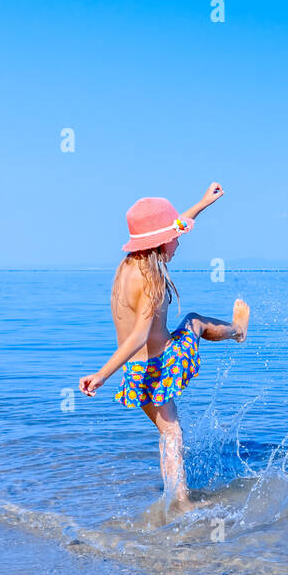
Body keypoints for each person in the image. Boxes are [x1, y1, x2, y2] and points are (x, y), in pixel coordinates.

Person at [79, 184, 249, 507]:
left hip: (136, 373)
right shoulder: (152, 280)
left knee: (169, 433)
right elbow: (138, 337)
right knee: (195, 321)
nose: (178, 241)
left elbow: (175, 225)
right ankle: (239, 331)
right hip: (163, 364)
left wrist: (203, 203)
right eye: (173, 237)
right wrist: (101, 375)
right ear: (158, 242)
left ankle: (178, 500)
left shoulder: (127, 267)